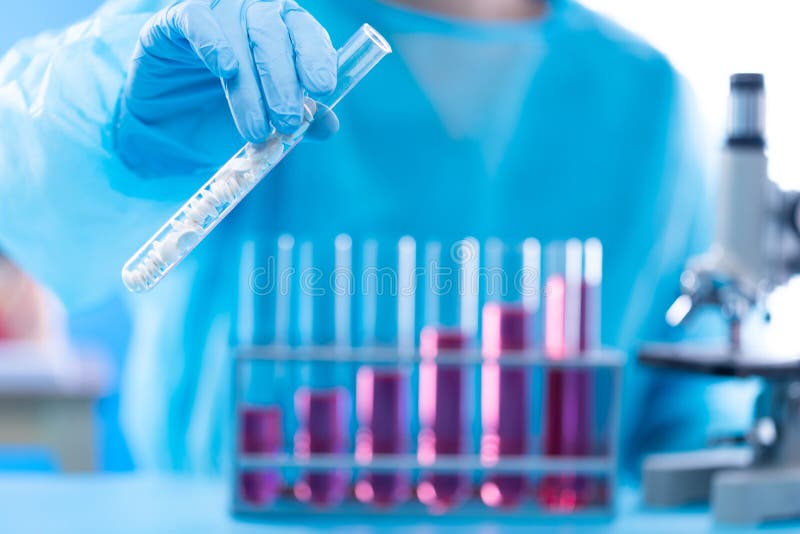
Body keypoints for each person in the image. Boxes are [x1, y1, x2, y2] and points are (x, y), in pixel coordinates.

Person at [0, 0, 735, 474]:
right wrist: (118, 123)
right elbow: (26, 178)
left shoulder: (648, 97)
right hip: (228, 517)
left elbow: (690, 401)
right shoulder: (240, 32)